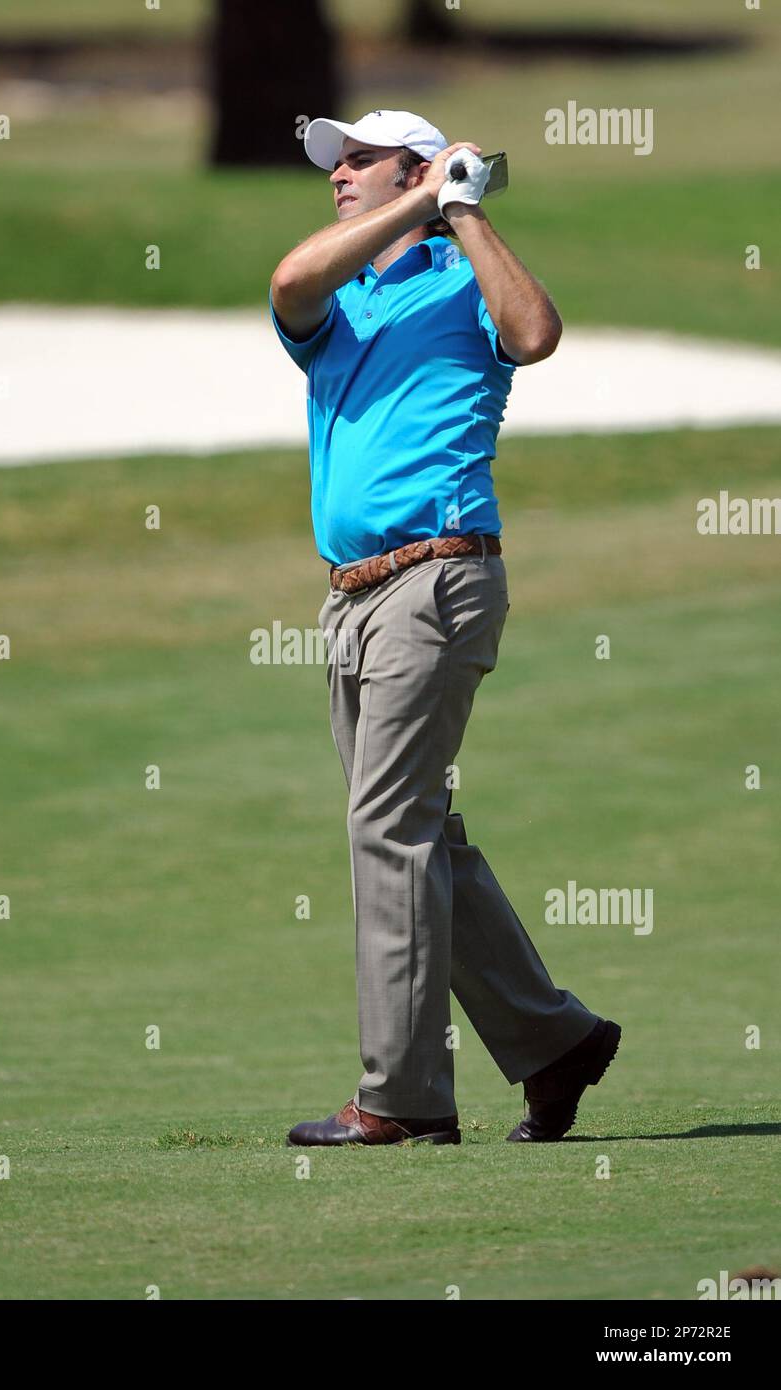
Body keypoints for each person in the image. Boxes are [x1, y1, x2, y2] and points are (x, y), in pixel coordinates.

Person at [270, 110, 621, 1146]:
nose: (339, 175)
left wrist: (457, 210)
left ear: (415, 168)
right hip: (350, 598)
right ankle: (554, 1042)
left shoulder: (464, 282)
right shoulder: (343, 302)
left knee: (389, 829)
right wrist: (429, 193)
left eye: (360, 160)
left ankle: (404, 1099)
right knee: (418, 832)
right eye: (335, 163)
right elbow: (289, 284)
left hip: (438, 581)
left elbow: (535, 333)